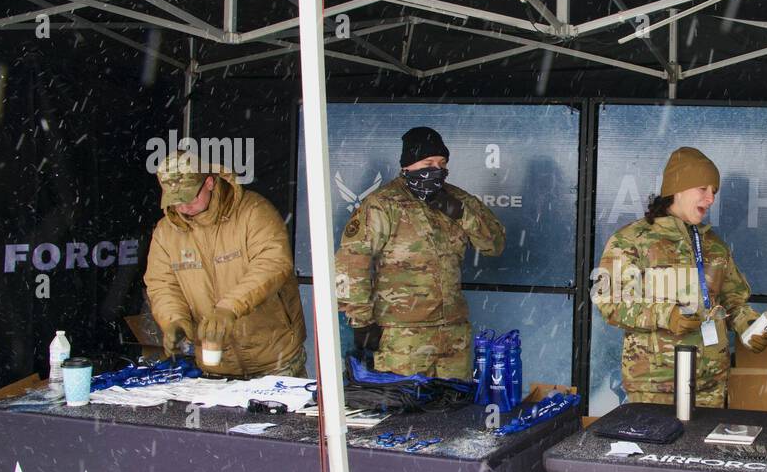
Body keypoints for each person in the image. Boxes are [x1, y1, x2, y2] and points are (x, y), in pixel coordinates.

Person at [596, 147, 767, 405]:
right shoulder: (632, 240)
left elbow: (732, 301)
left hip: (710, 387)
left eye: (714, 191)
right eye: (703, 189)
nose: (711, 198)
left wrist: (750, 325)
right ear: (677, 188)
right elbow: (608, 301)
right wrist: (666, 315)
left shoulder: (713, 244)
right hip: (654, 388)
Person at [335, 126, 505, 377]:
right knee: (404, 409)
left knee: (455, 408)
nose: (435, 169)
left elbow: (495, 246)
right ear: (408, 165)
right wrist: (361, 322)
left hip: (453, 332)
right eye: (427, 162)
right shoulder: (383, 204)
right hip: (401, 336)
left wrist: (461, 214)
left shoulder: (458, 199)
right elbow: (351, 262)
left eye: (441, 162)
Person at [145, 150, 307, 377]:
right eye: (175, 199)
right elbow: (163, 285)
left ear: (209, 182)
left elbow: (273, 263)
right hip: (215, 368)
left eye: (189, 196)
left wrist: (229, 308)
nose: (183, 206)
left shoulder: (253, 212)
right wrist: (174, 321)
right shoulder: (165, 233)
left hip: (275, 360)